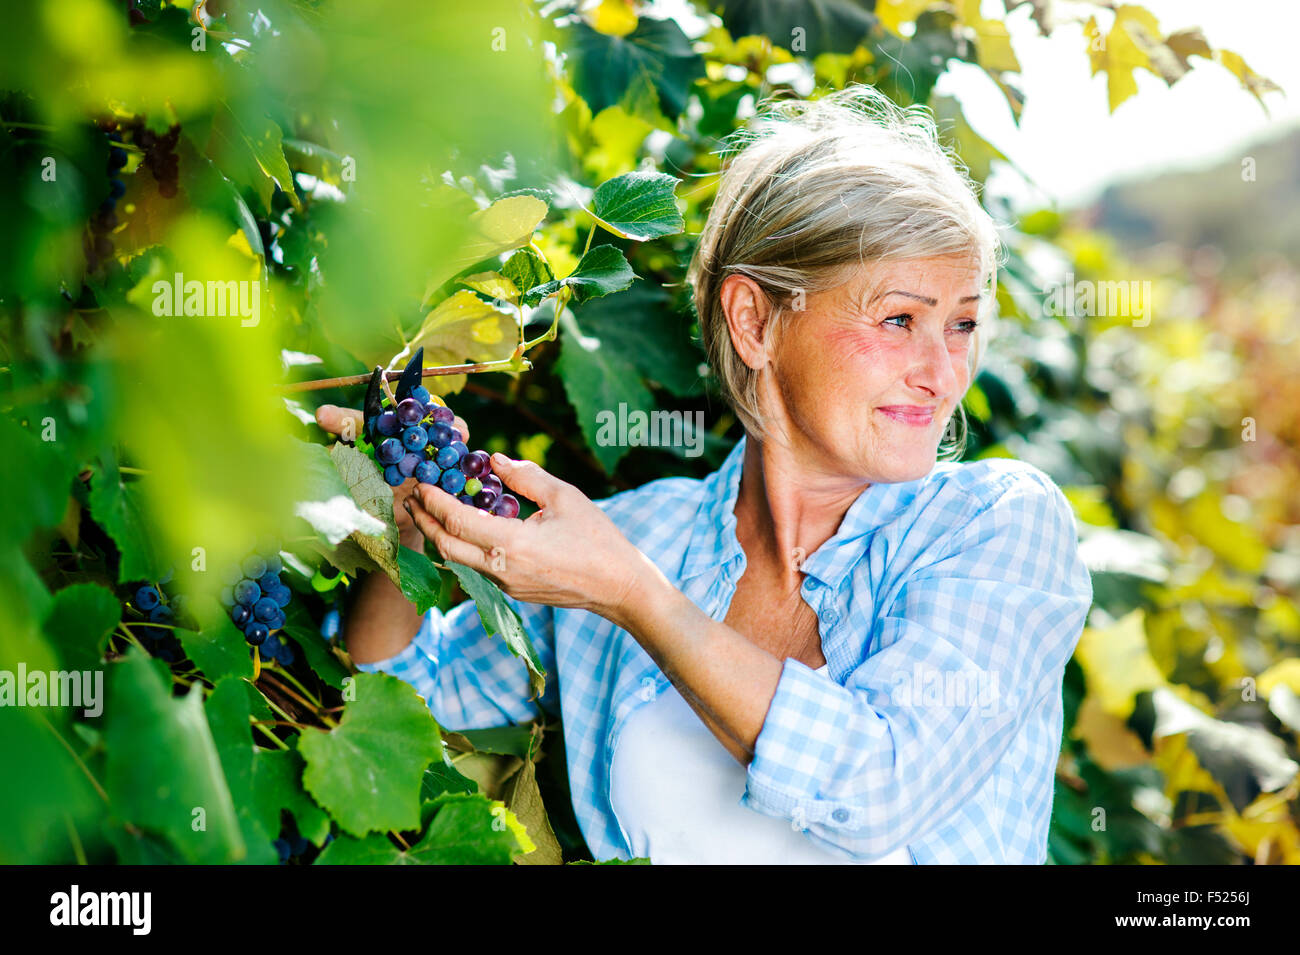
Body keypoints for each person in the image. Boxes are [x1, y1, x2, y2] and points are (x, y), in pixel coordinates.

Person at [315, 85, 1093, 864]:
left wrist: (636, 598)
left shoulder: (996, 528)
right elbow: (402, 694)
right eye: (899, 320)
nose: (943, 371)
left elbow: (875, 790)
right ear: (754, 320)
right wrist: (408, 522)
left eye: (960, 323)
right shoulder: (638, 535)